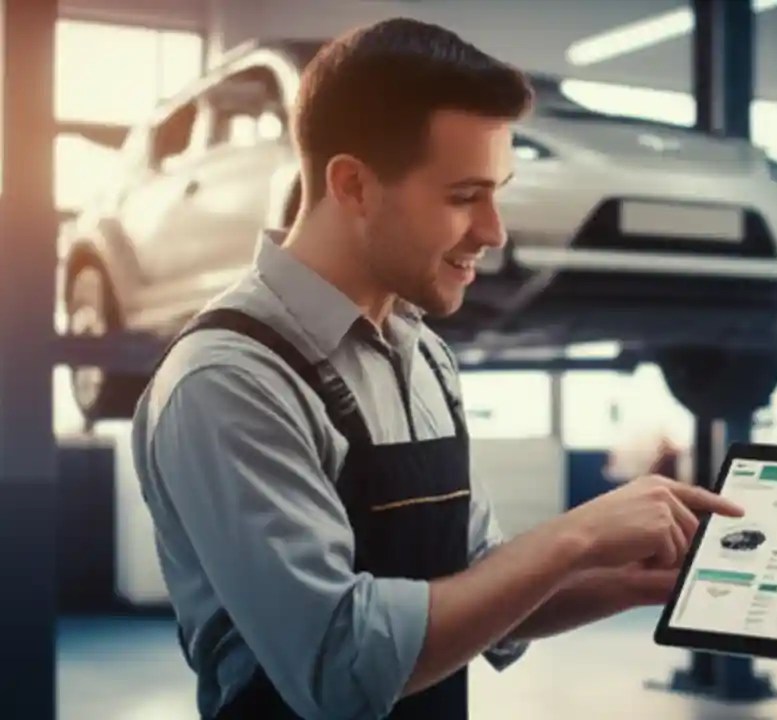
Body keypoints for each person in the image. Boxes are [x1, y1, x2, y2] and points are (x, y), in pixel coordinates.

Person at [132, 19, 742, 720]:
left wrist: (635, 580)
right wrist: (575, 537)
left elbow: (481, 588)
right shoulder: (228, 381)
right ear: (353, 185)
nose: (494, 231)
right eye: (463, 197)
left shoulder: (422, 355)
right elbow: (340, 666)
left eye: (497, 192)